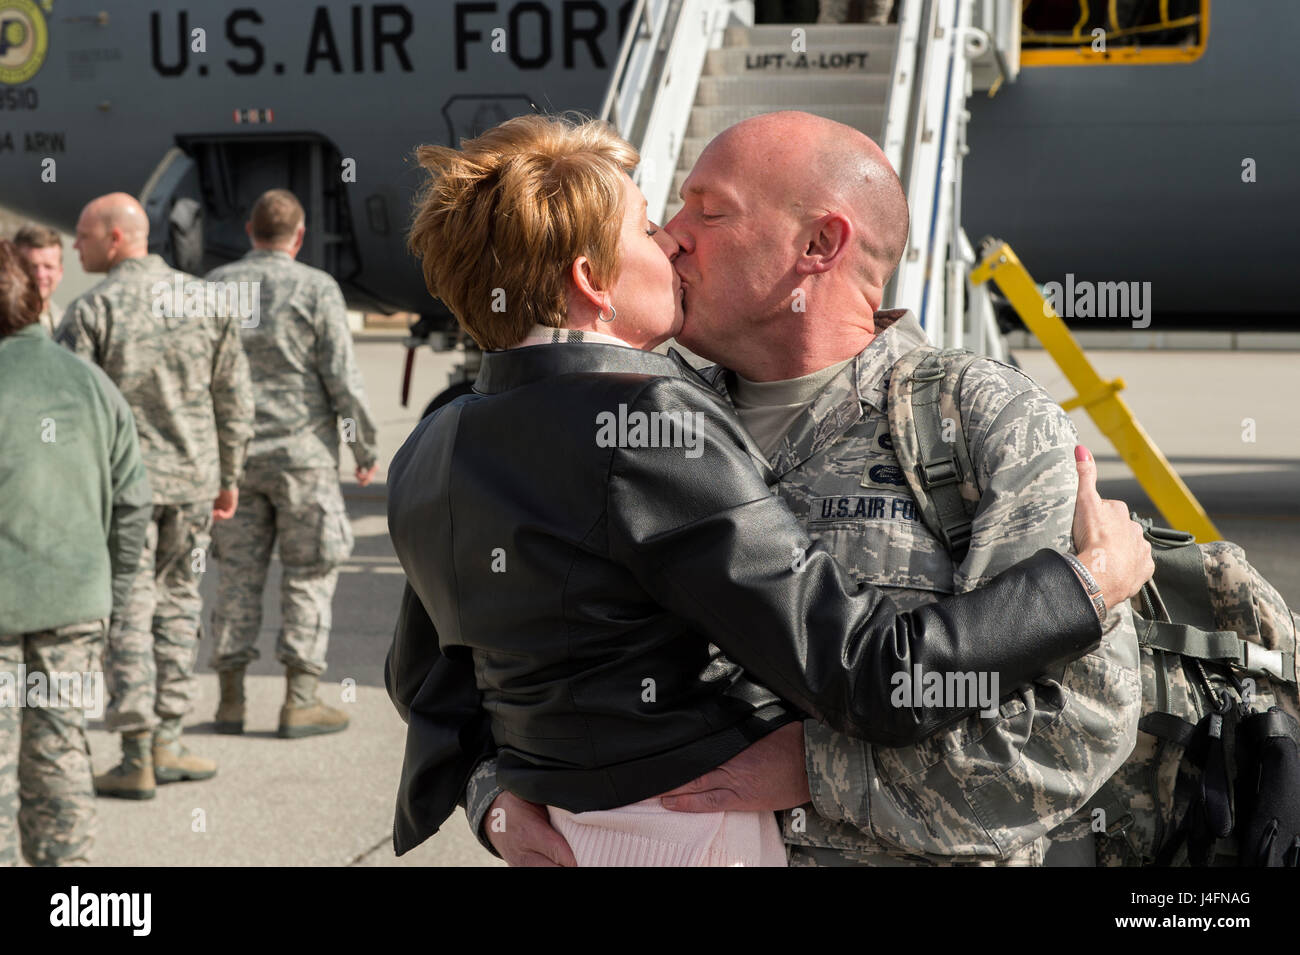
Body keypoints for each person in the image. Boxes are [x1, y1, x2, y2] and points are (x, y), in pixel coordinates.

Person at [387, 113, 1152, 866]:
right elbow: (458, 669)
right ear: (592, 280)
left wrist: (824, 773)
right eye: (660, 218)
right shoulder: (637, 424)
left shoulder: (975, 419)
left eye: (705, 211)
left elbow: (1068, 733)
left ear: (820, 244)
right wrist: (491, 795)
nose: (675, 235)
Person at [58, 193, 254, 799]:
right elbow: (234, 398)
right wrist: (229, 475)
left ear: (116, 240)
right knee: (177, 606)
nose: (75, 246)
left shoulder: (92, 310)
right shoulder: (207, 301)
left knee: (128, 612)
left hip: (124, 494)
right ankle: (168, 738)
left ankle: (136, 751)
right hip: (194, 486)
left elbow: (70, 415)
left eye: (84, 236)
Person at [205, 189, 379, 738]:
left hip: (233, 461)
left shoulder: (214, 288)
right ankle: (300, 700)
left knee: (236, 576)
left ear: (250, 232)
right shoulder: (316, 288)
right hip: (303, 459)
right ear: (298, 237)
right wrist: (364, 449)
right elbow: (342, 381)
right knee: (309, 574)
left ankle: (230, 701)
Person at [0, 239, 152, 865]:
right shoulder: (91, 383)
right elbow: (133, 502)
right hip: (75, 608)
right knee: (61, 755)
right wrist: (108, 598)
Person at [12, 223, 65, 338]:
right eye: (32, 266)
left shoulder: (67, 324)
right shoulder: (5, 320)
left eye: (48, 267)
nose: (40, 275)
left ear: (60, 272)